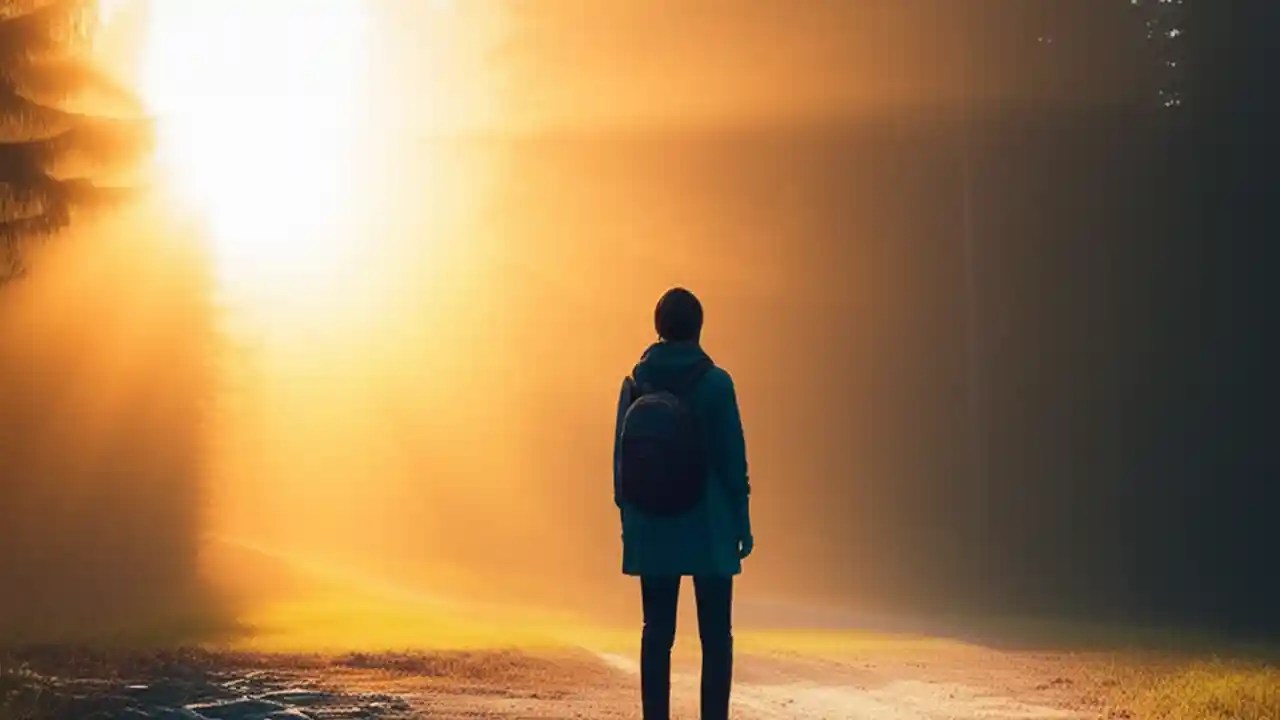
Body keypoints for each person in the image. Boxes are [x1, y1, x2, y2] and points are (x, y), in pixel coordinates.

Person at [613, 287, 753, 720]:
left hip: (652, 526)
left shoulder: (636, 383)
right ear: (699, 327)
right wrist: (742, 523)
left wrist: (630, 521)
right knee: (716, 636)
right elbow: (733, 461)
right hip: (709, 528)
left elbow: (620, 463)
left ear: (659, 327)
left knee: (656, 633)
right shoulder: (716, 384)